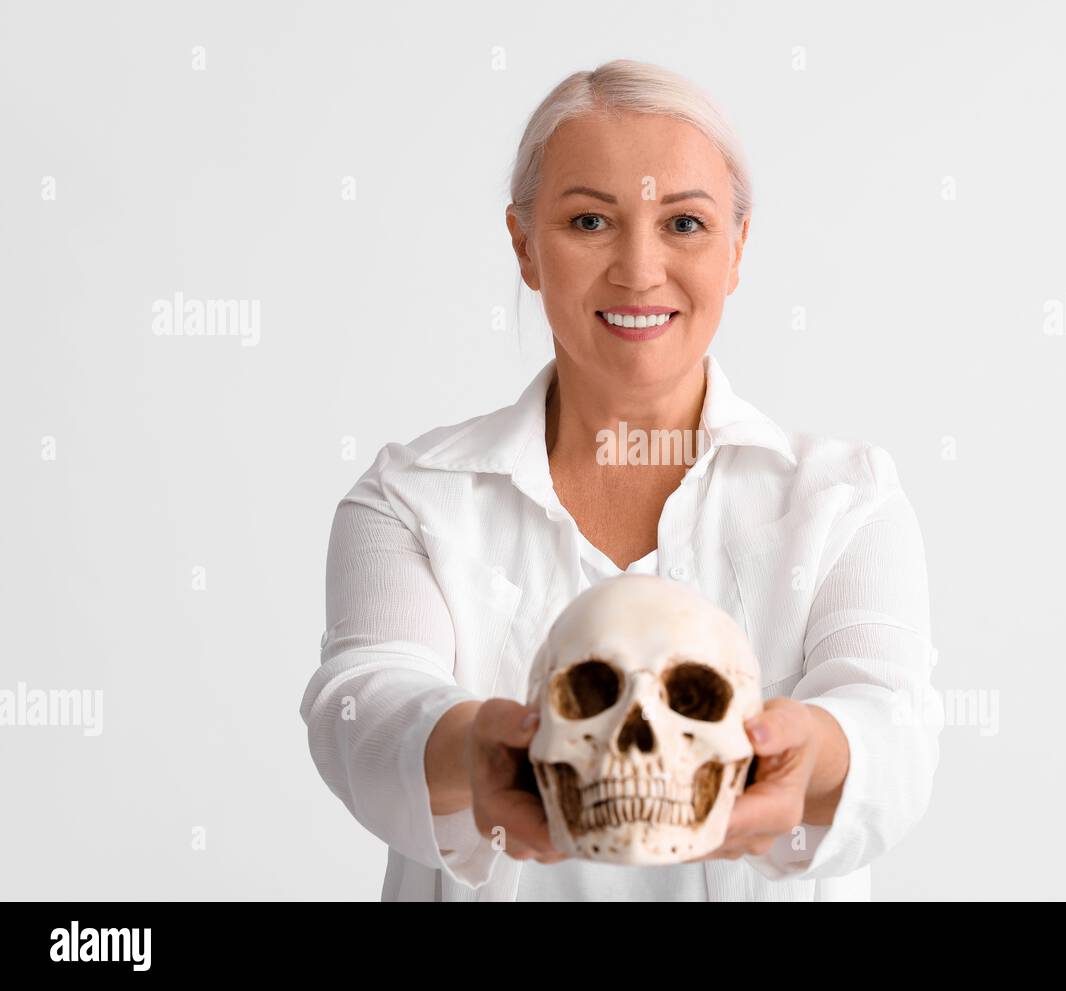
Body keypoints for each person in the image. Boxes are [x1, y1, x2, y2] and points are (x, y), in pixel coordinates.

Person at [299, 58, 943, 902]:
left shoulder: (845, 500)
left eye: (684, 224)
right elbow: (360, 703)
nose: (639, 271)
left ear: (737, 249)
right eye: (590, 220)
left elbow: (896, 726)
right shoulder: (411, 500)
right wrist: (463, 748)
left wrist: (818, 754)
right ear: (525, 247)